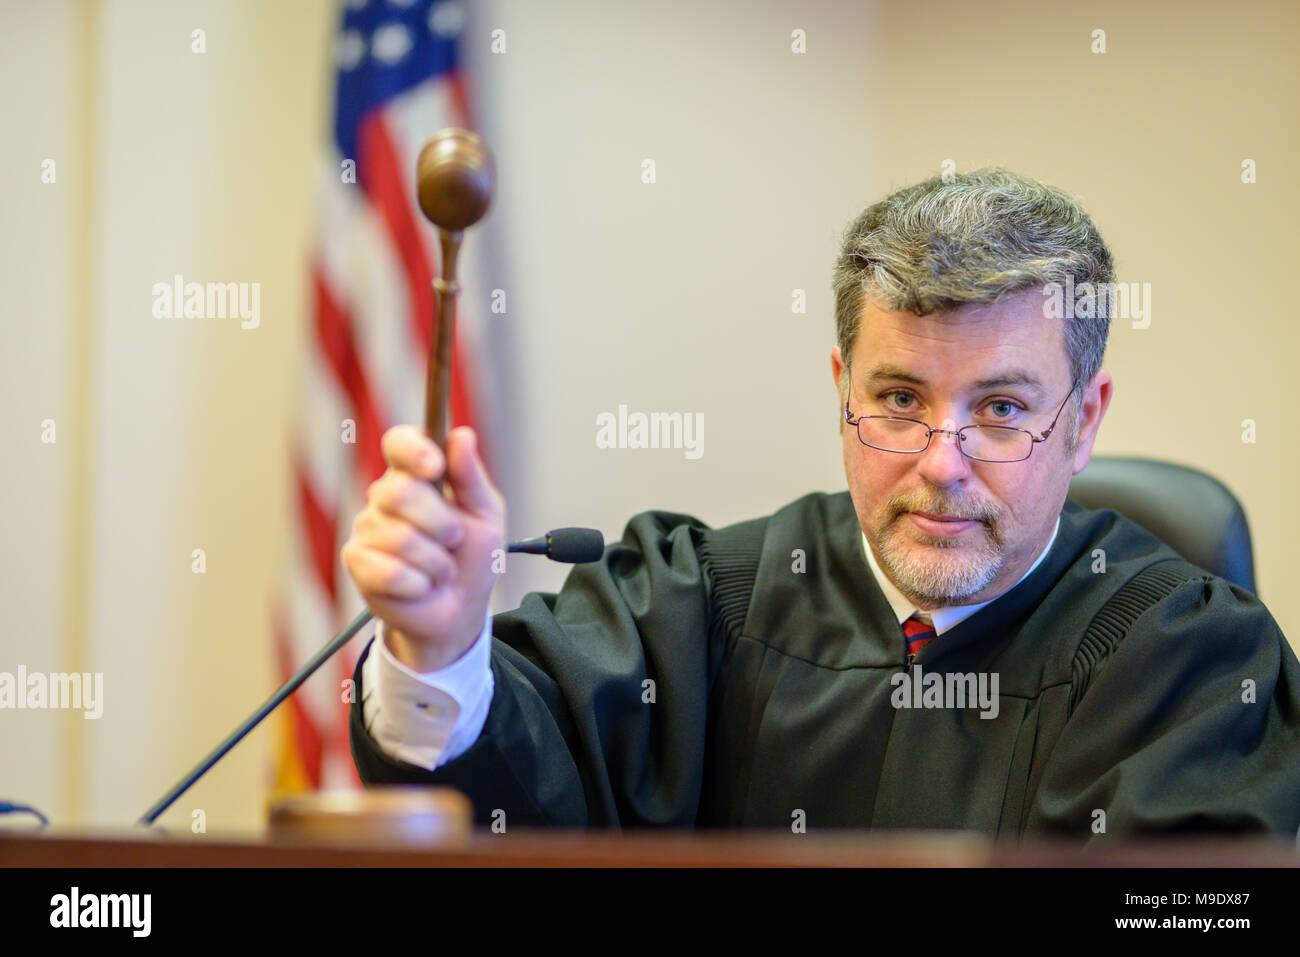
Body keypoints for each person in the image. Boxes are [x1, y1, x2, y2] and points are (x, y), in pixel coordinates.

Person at [340, 169, 1300, 839]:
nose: (943, 464)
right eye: (899, 400)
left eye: (1001, 410)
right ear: (841, 385)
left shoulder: (1195, 660)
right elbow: (507, 802)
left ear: (1084, 420)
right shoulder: (701, 601)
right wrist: (440, 645)